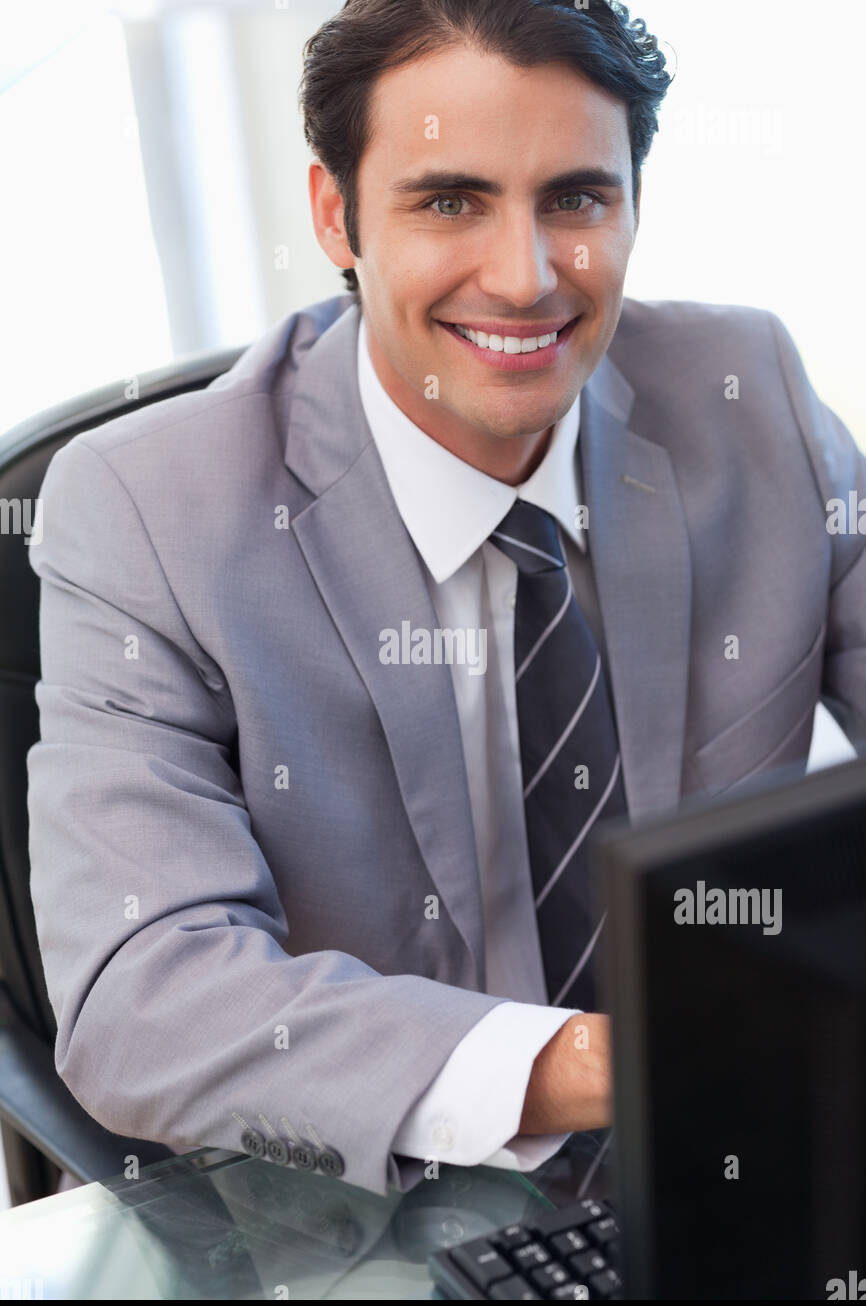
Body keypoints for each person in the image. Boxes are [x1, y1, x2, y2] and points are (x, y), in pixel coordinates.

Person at [27, 0, 866, 1198]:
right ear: (335, 214)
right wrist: (601, 1062)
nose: (523, 279)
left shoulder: (750, 398)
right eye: (448, 200)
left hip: (751, 1176)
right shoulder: (147, 512)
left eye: (576, 199)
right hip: (374, 1216)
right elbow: (142, 995)